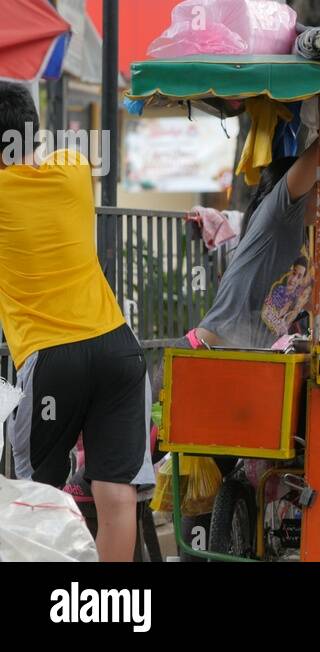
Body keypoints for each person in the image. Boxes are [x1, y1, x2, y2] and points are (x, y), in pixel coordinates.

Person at [0, 81, 152, 561]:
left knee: (32, 494)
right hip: (118, 348)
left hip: (53, 357)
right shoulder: (74, 170)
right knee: (115, 493)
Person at [189, 143, 320, 350]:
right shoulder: (278, 213)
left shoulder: (297, 240)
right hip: (207, 355)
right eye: (317, 186)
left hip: (243, 358)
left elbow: (315, 296)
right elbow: (316, 153)